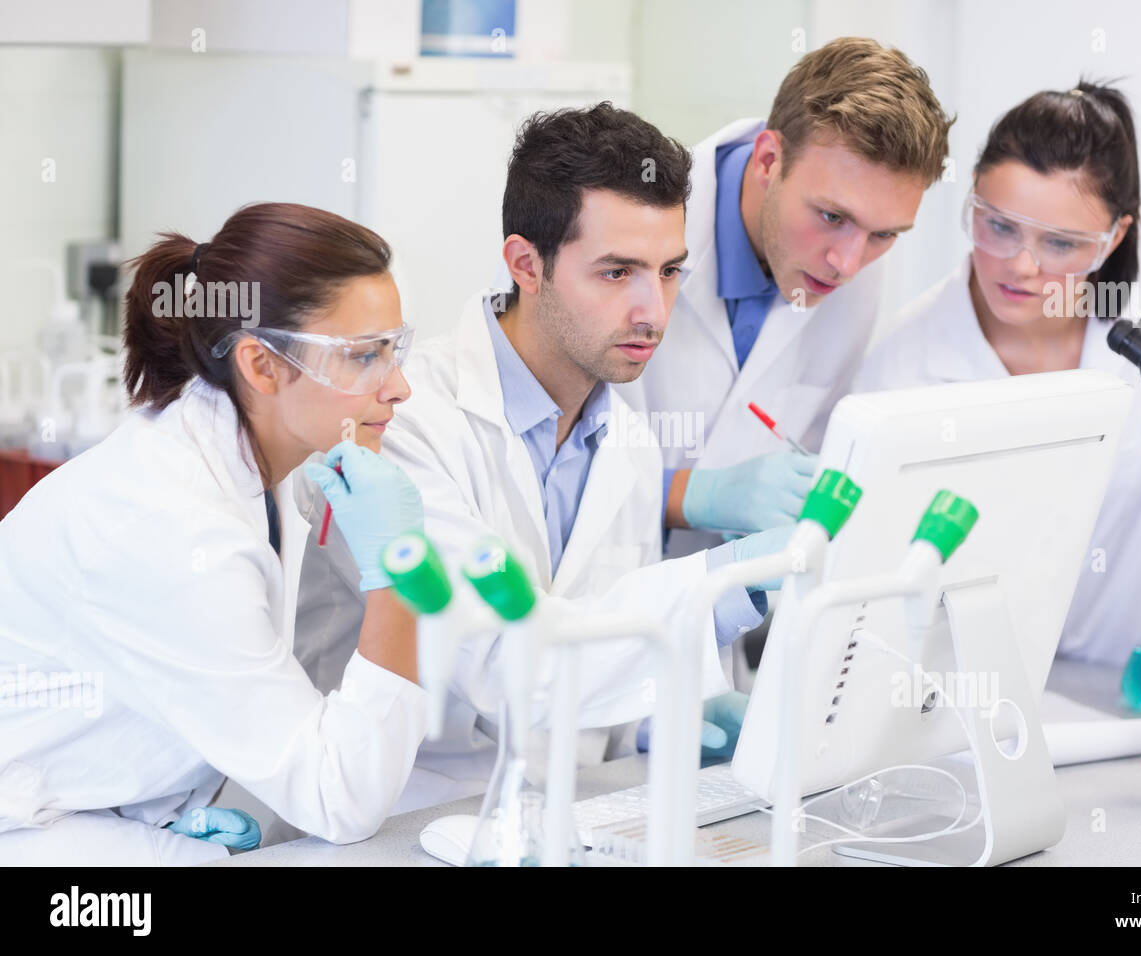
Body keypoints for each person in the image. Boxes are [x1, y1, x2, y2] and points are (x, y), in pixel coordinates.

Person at [297, 104, 791, 808]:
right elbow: (504, 661)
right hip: (408, 815)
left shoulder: (627, 437)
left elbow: (598, 649)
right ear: (527, 264)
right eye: (617, 273)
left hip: (567, 810)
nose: (654, 311)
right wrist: (720, 586)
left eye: (671, 271)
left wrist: (665, 720)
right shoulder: (402, 424)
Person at [0, 203, 429, 864]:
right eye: (362, 356)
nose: (397, 387)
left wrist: (246, 811)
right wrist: (401, 576)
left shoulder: (255, 462)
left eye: (394, 349)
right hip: (32, 830)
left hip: (108, 807)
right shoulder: (169, 524)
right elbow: (342, 799)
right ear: (262, 367)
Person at [854, 81, 1141, 665]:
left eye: (1061, 243)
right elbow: (873, 588)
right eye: (999, 226)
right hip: (963, 697)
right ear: (974, 199)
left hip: (1126, 684)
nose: (1023, 266)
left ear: (1117, 239)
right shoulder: (904, 365)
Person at [617, 36, 954, 565]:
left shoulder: (854, 268)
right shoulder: (625, 231)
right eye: (831, 216)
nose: (848, 263)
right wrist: (689, 496)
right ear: (769, 159)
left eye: (884, 234)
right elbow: (547, 469)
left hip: (726, 619)